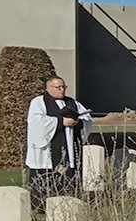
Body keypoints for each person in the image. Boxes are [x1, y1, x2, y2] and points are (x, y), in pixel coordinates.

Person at [25, 75, 93, 207]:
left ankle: (70, 202)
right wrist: (60, 122)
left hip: (70, 146)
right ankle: (41, 205)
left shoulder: (72, 102)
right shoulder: (39, 102)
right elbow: (36, 123)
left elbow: (87, 119)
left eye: (64, 87)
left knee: (68, 175)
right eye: (58, 87)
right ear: (49, 88)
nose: (62, 90)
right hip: (48, 151)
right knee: (46, 179)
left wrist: (77, 122)